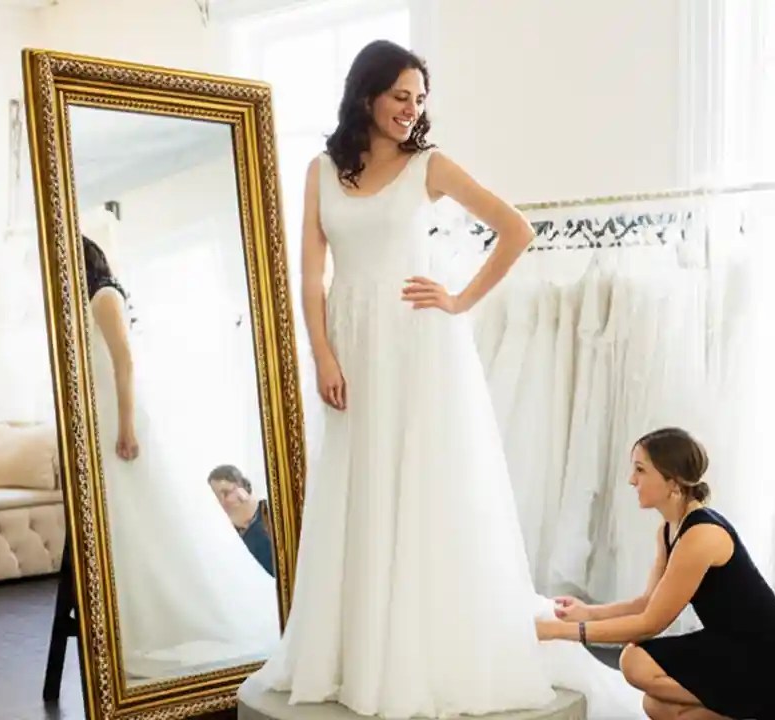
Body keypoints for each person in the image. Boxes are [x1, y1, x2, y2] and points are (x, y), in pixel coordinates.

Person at [249, 39, 641, 719]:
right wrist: (322, 355)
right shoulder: (320, 170)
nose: (411, 109)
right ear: (366, 94)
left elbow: (514, 230)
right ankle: (350, 652)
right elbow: (309, 277)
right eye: (401, 96)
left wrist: (459, 299)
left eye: (420, 98)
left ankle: (412, 654)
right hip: (352, 345)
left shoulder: (428, 166)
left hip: (417, 346)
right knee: (358, 489)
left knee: (421, 492)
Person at [535, 428, 775, 720]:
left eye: (640, 470)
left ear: (673, 481)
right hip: (725, 643)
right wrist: (588, 612)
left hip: (765, 652)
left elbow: (650, 624)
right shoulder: (668, 530)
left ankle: (770, 695)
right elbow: (647, 602)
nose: (631, 480)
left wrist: (563, 632)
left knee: (634, 662)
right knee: (656, 707)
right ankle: (767, 706)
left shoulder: (702, 534)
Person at [84, 236, 280, 677]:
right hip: (106, 422)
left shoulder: (103, 296)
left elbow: (124, 363)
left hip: (124, 422)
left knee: (149, 516)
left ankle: (176, 615)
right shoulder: (90, 301)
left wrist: (127, 426)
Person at [208, 464, 274, 576]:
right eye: (217, 498)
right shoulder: (229, 538)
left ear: (242, 489)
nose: (222, 502)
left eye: (225, 493)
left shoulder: (272, 515)